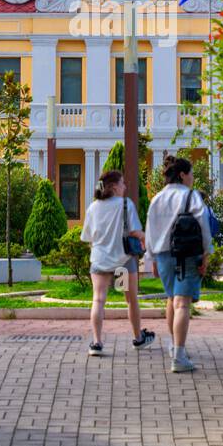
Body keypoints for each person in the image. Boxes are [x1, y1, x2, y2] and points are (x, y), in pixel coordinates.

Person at [146, 155, 213, 373]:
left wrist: (152, 258)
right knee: (182, 304)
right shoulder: (191, 196)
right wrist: (206, 253)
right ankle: (179, 356)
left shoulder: (157, 198)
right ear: (183, 174)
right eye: (191, 173)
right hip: (187, 254)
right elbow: (203, 224)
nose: (192, 177)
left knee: (171, 299)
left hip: (163, 255)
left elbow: (150, 230)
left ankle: (174, 345)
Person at [79, 169, 155, 356]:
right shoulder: (125, 205)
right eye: (122, 183)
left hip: (100, 261)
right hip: (123, 263)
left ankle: (96, 343)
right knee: (130, 299)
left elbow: (87, 237)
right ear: (113, 187)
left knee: (98, 299)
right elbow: (135, 232)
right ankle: (138, 338)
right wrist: (147, 239)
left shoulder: (93, 207)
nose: (125, 186)